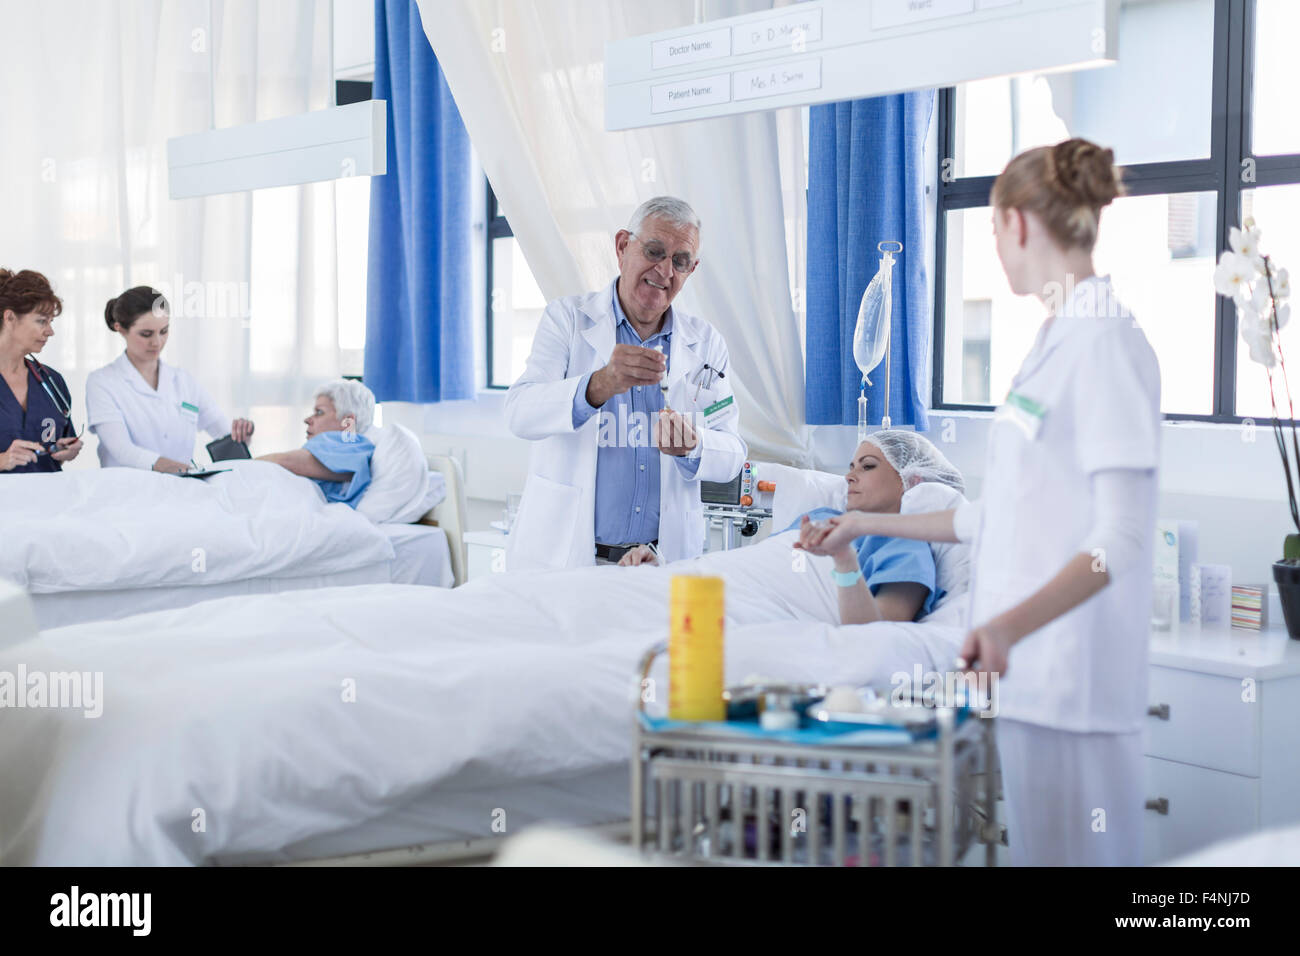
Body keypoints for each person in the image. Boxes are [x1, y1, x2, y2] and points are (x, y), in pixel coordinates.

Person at [797, 138, 1161, 866]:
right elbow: (998, 517)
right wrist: (865, 522)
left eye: (994, 229)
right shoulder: (1052, 343)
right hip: (1033, 684)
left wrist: (1005, 629)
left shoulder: (1105, 344)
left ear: (1019, 223)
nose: (996, 248)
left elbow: (1120, 538)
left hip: (1075, 684)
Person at [504, 196, 746, 570]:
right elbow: (519, 413)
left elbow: (733, 453)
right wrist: (597, 386)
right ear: (622, 246)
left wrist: (694, 446)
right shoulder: (567, 320)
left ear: (691, 269)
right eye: (654, 251)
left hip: (660, 562)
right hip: (570, 561)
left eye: (680, 261)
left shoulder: (706, 343)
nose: (664, 271)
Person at [624, 430, 963, 628]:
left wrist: (844, 561)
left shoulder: (903, 541)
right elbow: (751, 575)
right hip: (703, 598)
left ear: (911, 480)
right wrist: (665, 570)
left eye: (868, 467)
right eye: (850, 467)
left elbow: (880, 637)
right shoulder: (820, 514)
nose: (849, 476)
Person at [85, 286, 255, 474]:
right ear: (120, 329)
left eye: (164, 331)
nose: (157, 342)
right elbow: (121, 449)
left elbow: (221, 431)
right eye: (146, 334)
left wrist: (240, 436)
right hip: (128, 492)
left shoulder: (183, 381)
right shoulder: (102, 382)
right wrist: (181, 469)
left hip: (178, 489)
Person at [0, 269, 84, 473]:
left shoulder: (51, 381)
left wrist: (65, 451)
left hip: (51, 501)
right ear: (10, 317)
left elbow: (50, 456)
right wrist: (2, 460)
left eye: (50, 322)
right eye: (41, 321)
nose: (50, 331)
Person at [258, 379, 376, 507]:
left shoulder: (354, 446)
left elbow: (284, 461)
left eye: (319, 412)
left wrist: (242, 465)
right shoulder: (341, 449)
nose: (307, 420)